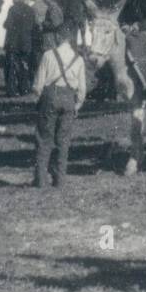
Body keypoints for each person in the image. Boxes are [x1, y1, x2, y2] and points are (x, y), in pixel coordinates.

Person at [31, 28, 87, 188]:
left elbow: (38, 83)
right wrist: (77, 104)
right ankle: (60, 179)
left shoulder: (48, 55)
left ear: (58, 37)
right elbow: (82, 89)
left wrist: (37, 97)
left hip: (50, 96)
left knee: (44, 138)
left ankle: (41, 179)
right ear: (70, 40)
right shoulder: (79, 59)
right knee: (63, 141)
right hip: (69, 98)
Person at [3, 0, 36, 97]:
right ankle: (24, 89)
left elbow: (8, 24)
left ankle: (11, 90)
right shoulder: (30, 9)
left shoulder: (13, 9)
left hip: (13, 42)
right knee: (24, 66)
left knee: (11, 67)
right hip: (26, 42)